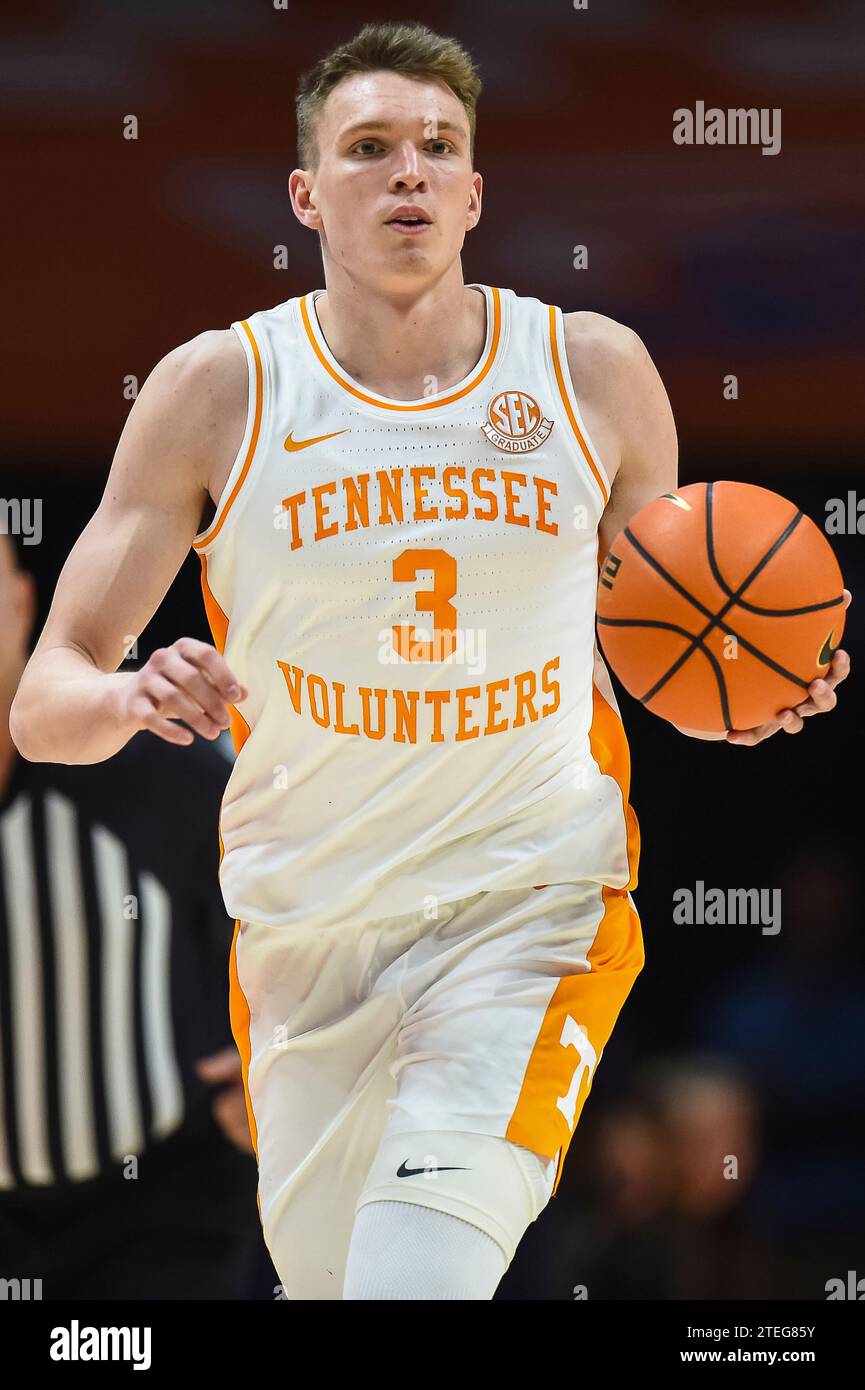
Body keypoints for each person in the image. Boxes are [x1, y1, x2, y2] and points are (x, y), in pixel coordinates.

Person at [9, 21, 850, 1300]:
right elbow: (42, 700)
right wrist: (125, 695)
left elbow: (660, 644)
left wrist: (744, 689)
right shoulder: (216, 393)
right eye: (369, 148)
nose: (407, 172)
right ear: (305, 193)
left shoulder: (591, 374)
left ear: (472, 192)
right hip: (307, 938)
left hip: (529, 916)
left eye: (437, 148)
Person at [0, 530, 261, 1299]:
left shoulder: (156, 767)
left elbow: (297, 914)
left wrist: (288, 1057)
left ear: (21, 606)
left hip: (153, 1220)